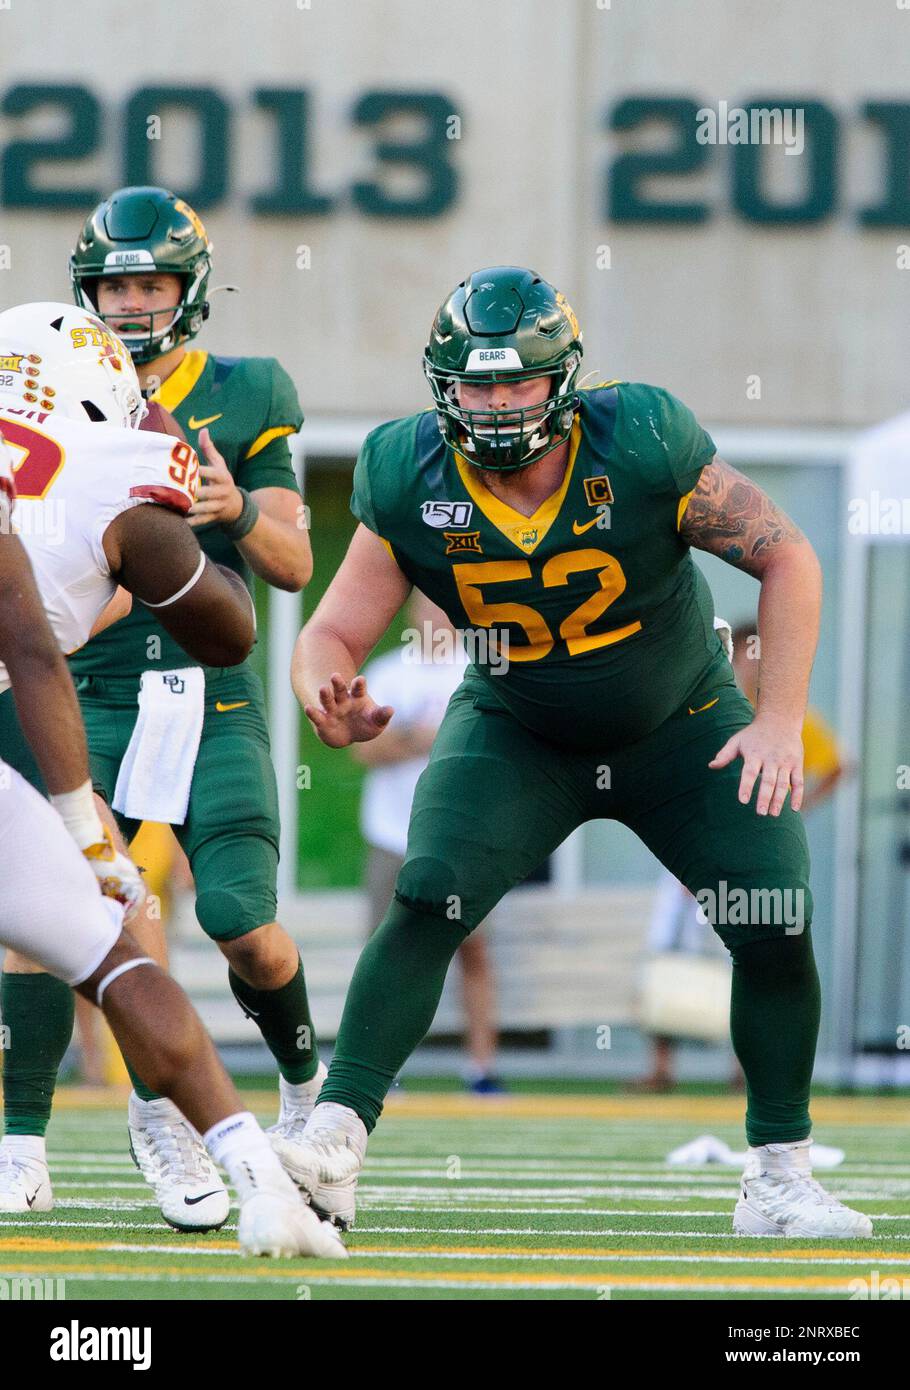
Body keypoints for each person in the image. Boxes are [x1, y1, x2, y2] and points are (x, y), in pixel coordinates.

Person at [285, 266, 871, 1240]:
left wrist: (776, 720)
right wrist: (321, 690)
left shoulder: (638, 438)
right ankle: (334, 1140)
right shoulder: (406, 470)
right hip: (522, 725)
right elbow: (330, 633)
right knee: (429, 891)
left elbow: (788, 556)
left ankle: (776, 1175)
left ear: (560, 382)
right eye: (477, 384)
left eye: (518, 383)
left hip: (683, 720)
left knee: (773, 916)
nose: (497, 404)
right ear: (444, 386)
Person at [0, 186, 322, 1234]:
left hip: (192, 684)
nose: (133, 304)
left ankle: (299, 1091)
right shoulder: (65, 405)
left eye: (151, 284)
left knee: (241, 922)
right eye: (114, 287)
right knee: (67, 921)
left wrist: (229, 511)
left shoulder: (243, 391)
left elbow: (287, 566)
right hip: (79, 677)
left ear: (189, 290)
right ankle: (38, 1139)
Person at [352, 590, 503, 1093]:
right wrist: (419, 740)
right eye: (424, 606)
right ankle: (376, 1072)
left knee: (472, 949)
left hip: (463, 836)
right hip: (392, 834)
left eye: (440, 606)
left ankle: (481, 1070)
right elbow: (363, 753)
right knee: (383, 952)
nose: (432, 616)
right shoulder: (388, 673)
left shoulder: (480, 670)